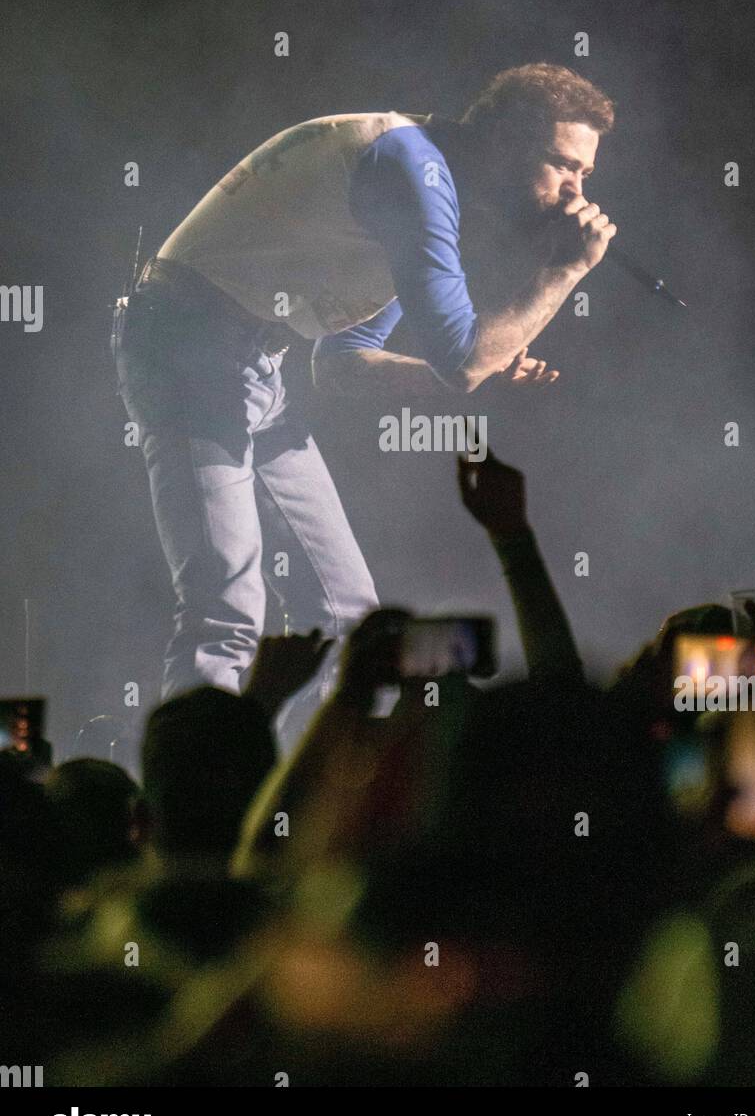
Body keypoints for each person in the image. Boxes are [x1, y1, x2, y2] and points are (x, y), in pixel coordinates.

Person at [112, 63, 617, 710]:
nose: (576, 192)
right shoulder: (411, 169)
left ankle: (309, 796)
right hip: (187, 351)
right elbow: (463, 360)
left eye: (585, 174)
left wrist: (476, 378)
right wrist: (565, 269)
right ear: (504, 145)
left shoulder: (426, 182)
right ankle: (196, 803)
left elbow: (344, 363)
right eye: (564, 166)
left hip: (250, 364)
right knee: (227, 609)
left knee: (345, 611)